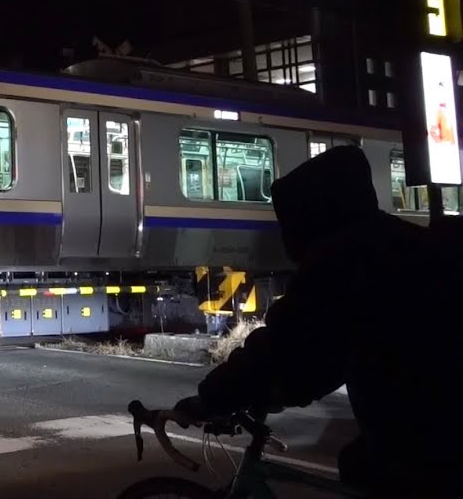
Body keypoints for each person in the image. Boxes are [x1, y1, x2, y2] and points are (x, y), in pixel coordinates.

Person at [171, 145, 461, 497]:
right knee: (362, 462)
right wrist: (281, 389)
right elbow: (324, 359)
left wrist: (211, 399)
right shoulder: (402, 240)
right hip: (437, 413)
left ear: (309, 216)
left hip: (435, 429)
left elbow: (289, 348)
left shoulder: (342, 260)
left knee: (381, 466)